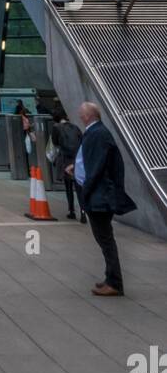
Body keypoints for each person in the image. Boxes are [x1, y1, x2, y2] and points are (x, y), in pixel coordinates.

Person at [72, 101, 136, 296]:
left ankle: (115, 282)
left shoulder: (98, 134)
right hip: (99, 195)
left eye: (82, 114)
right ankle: (111, 278)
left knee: (105, 240)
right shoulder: (97, 132)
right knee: (104, 239)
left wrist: (86, 190)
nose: (80, 117)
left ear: (89, 116)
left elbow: (97, 167)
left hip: (99, 197)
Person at [51, 108, 86, 222]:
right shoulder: (75, 127)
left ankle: (71, 211)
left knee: (68, 186)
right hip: (77, 159)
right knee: (79, 187)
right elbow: (82, 141)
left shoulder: (56, 128)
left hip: (65, 158)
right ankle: (83, 212)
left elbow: (55, 143)